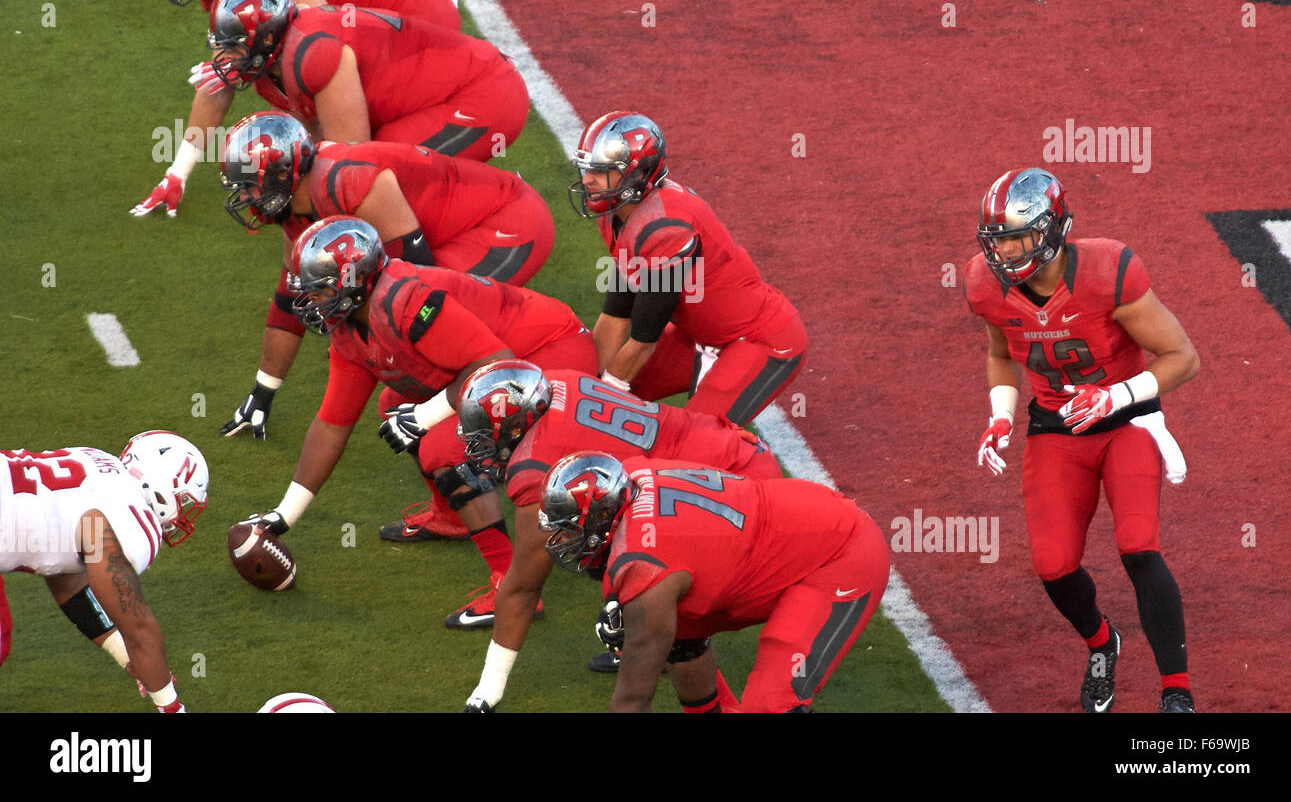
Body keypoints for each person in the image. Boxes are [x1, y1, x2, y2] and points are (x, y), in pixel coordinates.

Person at [242, 216, 597, 626]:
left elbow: (496, 365)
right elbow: (332, 423)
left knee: (439, 445)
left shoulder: (406, 301)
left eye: (318, 288)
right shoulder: (350, 325)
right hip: (502, 362)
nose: (309, 302)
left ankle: (511, 585)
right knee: (396, 407)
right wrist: (285, 513)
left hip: (548, 354)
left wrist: (426, 416)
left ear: (353, 280)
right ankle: (451, 518)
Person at [216, 110, 554, 540]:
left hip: (505, 222)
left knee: (429, 369)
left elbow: (414, 288)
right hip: (435, 250)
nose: (244, 195)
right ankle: (454, 507)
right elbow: (290, 298)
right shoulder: (299, 210)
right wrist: (263, 392)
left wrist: (425, 408)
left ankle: (507, 454)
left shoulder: (346, 183)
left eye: (249, 184)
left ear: (284, 174)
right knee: (397, 384)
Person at [965, 167, 1200, 714]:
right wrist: (1001, 416)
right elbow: (1002, 353)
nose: (1006, 253)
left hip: (1127, 423)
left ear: (1054, 230)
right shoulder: (984, 282)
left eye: (1019, 237)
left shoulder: (1107, 271)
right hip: (1056, 427)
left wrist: (1113, 397)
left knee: (1138, 546)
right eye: (998, 241)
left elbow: (1184, 357)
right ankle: (1102, 642)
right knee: (1053, 566)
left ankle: (1177, 691)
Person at [454, 360, 784, 705]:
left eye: (488, 433)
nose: (483, 446)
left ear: (519, 423)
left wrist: (486, 692)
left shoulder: (534, 466)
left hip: (725, 488)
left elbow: (523, 585)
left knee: (662, 601)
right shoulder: (557, 378)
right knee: (616, 565)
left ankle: (727, 698)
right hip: (728, 451)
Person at [135, 0, 462, 218]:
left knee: (364, 158)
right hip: (376, 24)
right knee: (287, 86)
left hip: (418, 13)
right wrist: (177, 173)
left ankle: (470, 192)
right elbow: (220, 80)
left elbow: (327, 41)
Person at [517, 452, 888, 713]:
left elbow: (632, 701)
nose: (562, 542)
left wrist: (640, 633)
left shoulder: (644, 566)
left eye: (567, 530)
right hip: (786, 526)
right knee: (678, 633)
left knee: (770, 705)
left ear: (600, 517)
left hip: (838, 554)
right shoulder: (631, 474)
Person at [570, 111, 806, 426]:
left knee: (691, 443)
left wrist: (599, 400)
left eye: (601, 172)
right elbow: (616, 313)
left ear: (635, 174)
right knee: (601, 393)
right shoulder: (617, 213)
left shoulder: (664, 228)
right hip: (695, 334)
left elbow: (643, 339)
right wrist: (586, 386)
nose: (587, 181)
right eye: (588, 170)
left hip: (755, 339)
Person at [0, 432, 209, 712]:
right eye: (182, 501)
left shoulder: (96, 460)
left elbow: (62, 569)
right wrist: (171, 706)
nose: (180, 513)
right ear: (161, 490)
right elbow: (137, 627)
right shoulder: (131, 520)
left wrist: (123, 653)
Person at [200, 0, 528, 155]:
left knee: (380, 171)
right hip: (446, 92)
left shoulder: (313, 53)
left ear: (267, 41)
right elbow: (315, 134)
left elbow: (351, 159)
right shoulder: (274, 67)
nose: (225, 58)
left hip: (485, 91)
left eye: (234, 47)